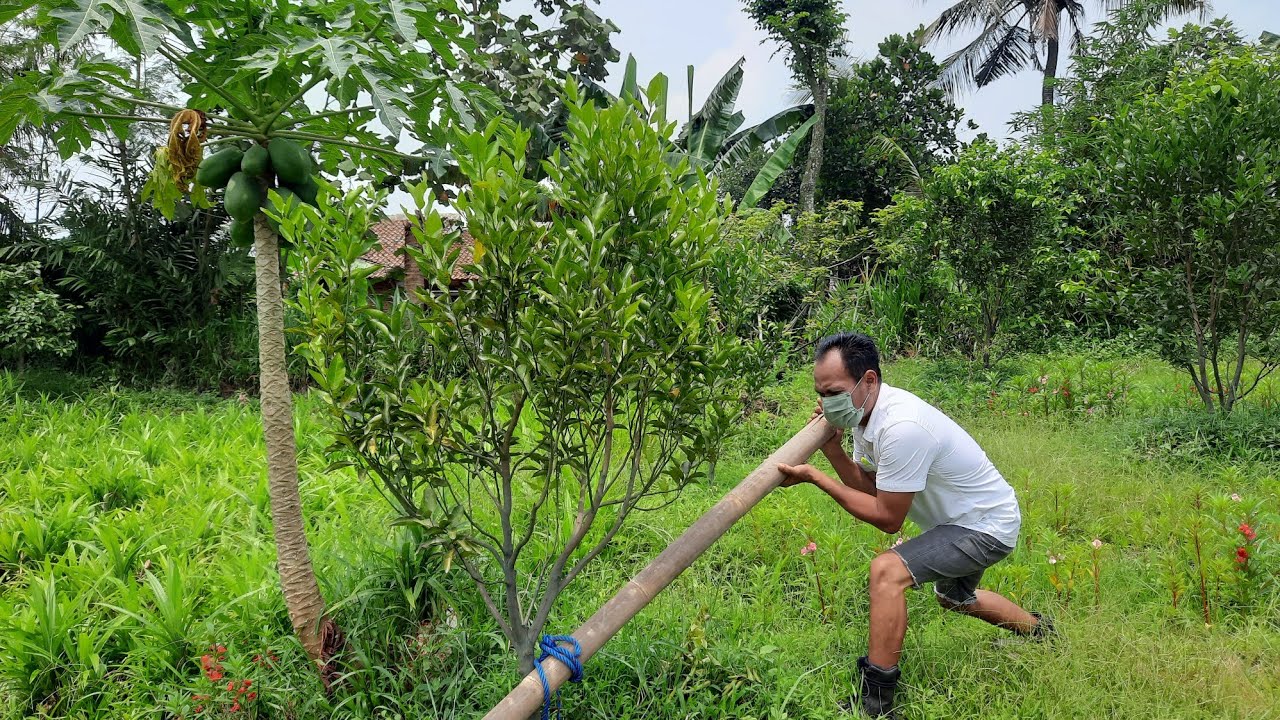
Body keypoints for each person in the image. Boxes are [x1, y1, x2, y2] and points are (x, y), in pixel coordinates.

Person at [776, 332, 1052, 718]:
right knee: (954, 598)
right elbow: (872, 488)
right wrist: (833, 450)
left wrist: (817, 478)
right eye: (820, 393)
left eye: (833, 392)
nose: (825, 403)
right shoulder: (866, 414)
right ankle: (1043, 634)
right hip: (961, 522)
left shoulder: (902, 426)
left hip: (985, 526)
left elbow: (889, 519)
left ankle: (876, 704)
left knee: (886, 572)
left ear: (868, 380)